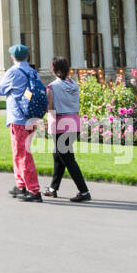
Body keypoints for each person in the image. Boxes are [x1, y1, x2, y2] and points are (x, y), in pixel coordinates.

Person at [0, 43, 43, 202]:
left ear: (12, 57)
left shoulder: (13, 72)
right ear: (27, 56)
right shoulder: (33, 71)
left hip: (18, 117)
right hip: (31, 117)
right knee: (19, 152)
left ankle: (34, 190)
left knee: (23, 154)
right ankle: (21, 185)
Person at [44, 57, 91, 202]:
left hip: (60, 125)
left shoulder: (52, 87)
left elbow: (50, 108)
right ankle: (53, 188)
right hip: (74, 123)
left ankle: (84, 191)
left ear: (54, 69)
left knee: (69, 160)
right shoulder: (74, 84)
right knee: (58, 156)